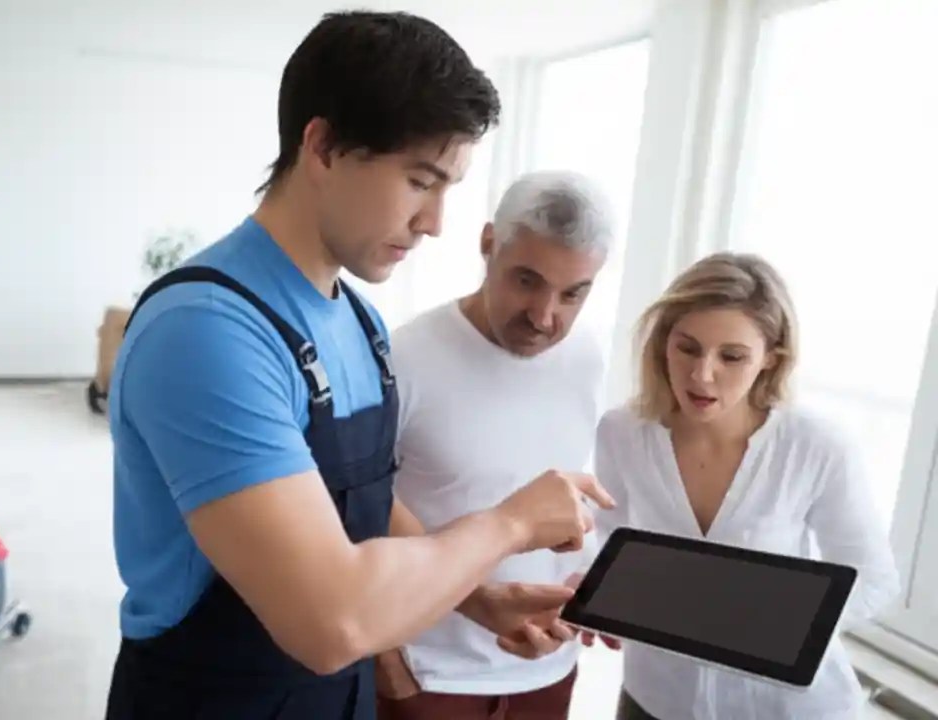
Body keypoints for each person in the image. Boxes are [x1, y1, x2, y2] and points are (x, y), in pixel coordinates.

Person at [102, 11, 615, 720]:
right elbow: (330, 621)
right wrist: (509, 525)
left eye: (448, 190)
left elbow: (358, 511)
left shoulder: (359, 321)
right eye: (419, 180)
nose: (435, 221)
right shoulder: (206, 332)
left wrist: (478, 597)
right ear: (324, 146)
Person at [594, 252, 901, 720]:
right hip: (654, 699)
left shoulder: (816, 446)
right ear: (662, 343)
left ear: (769, 360)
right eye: (687, 347)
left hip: (785, 708)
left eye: (732, 357)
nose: (702, 374)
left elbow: (875, 579)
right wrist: (607, 596)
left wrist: (776, 626)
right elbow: (609, 539)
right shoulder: (621, 432)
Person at [372, 170, 621, 720]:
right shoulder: (404, 359)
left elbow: (564, 492)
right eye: (527, 280)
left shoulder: (587, 357)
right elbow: (359, 505)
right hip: (429, 672)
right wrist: (391, 667)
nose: (545, 316)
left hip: (548, 671)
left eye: (573, 293)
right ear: (489, 245)